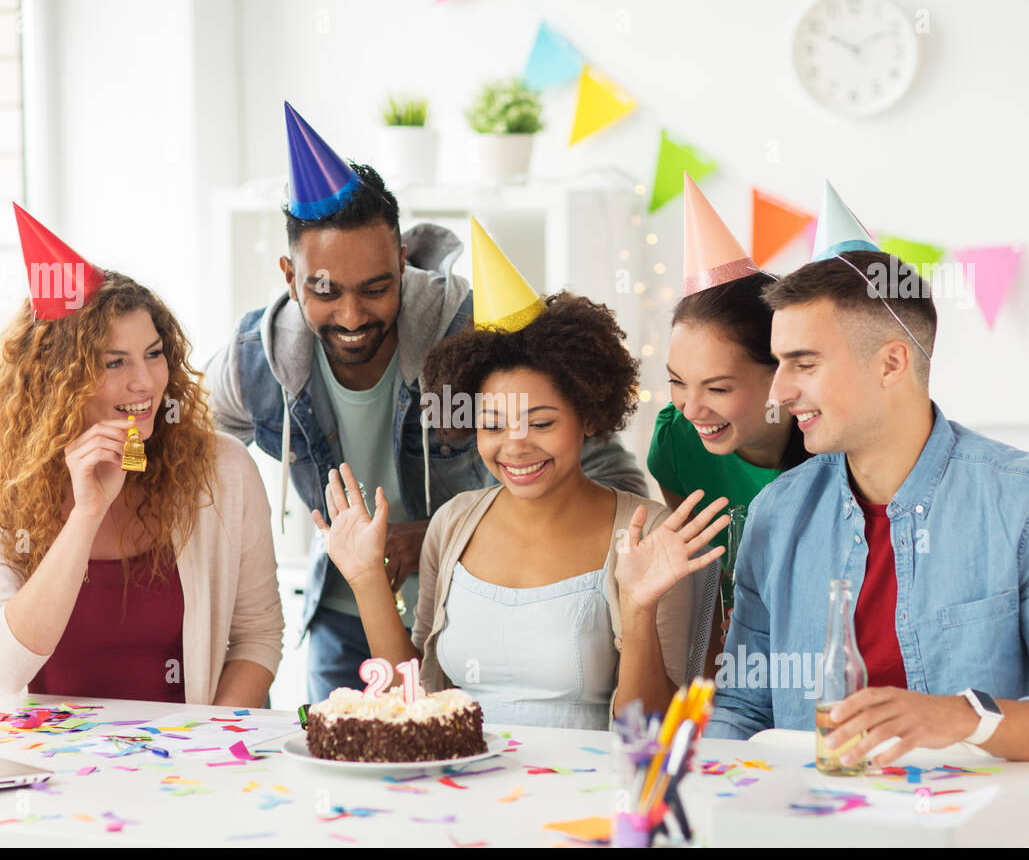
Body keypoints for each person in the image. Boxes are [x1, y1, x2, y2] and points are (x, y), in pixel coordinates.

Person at [703, 183, 1029, 846]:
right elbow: (744, 704)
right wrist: (702, 811)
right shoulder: (779, 514)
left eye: (802, 364)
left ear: (892, 361)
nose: (780, 393)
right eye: (779, 365)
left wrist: (963, 718)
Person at [204, 104, 646, 702]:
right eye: (325, 291)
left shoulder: (471, 329)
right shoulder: (254, 359)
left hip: (474, 619)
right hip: (342, 612)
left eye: (376, 289)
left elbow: (600, 461)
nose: (353, 316)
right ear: (290, 275)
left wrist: (444, 533)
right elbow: (189, 455)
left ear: (402, 265)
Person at [314, 284, 729, 729]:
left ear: (588, 415)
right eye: (492, 425)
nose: (515, 447)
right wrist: (366, 580)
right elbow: (417, 701)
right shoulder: (453, 525)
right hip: (463, 783)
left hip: (587, 791)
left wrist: (638, 609)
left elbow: (650, 729)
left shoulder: (647, 534)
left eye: (541, 422)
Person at [0, 205, 283, 706]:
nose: (145, 382)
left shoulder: (223, 469)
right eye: (114, 362)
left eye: (153, 353)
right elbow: (5, 667)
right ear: (56, 378)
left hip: (183, 774)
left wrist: (204, 748)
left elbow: (257, 636)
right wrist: (86, 514)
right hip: (35, 771)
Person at [647, 177, 810, 674]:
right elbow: (704, 572)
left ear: (780, 373)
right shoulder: (676, 441)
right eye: (677, 381)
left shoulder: (834, 451)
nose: (692, 409)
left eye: (717, 389)